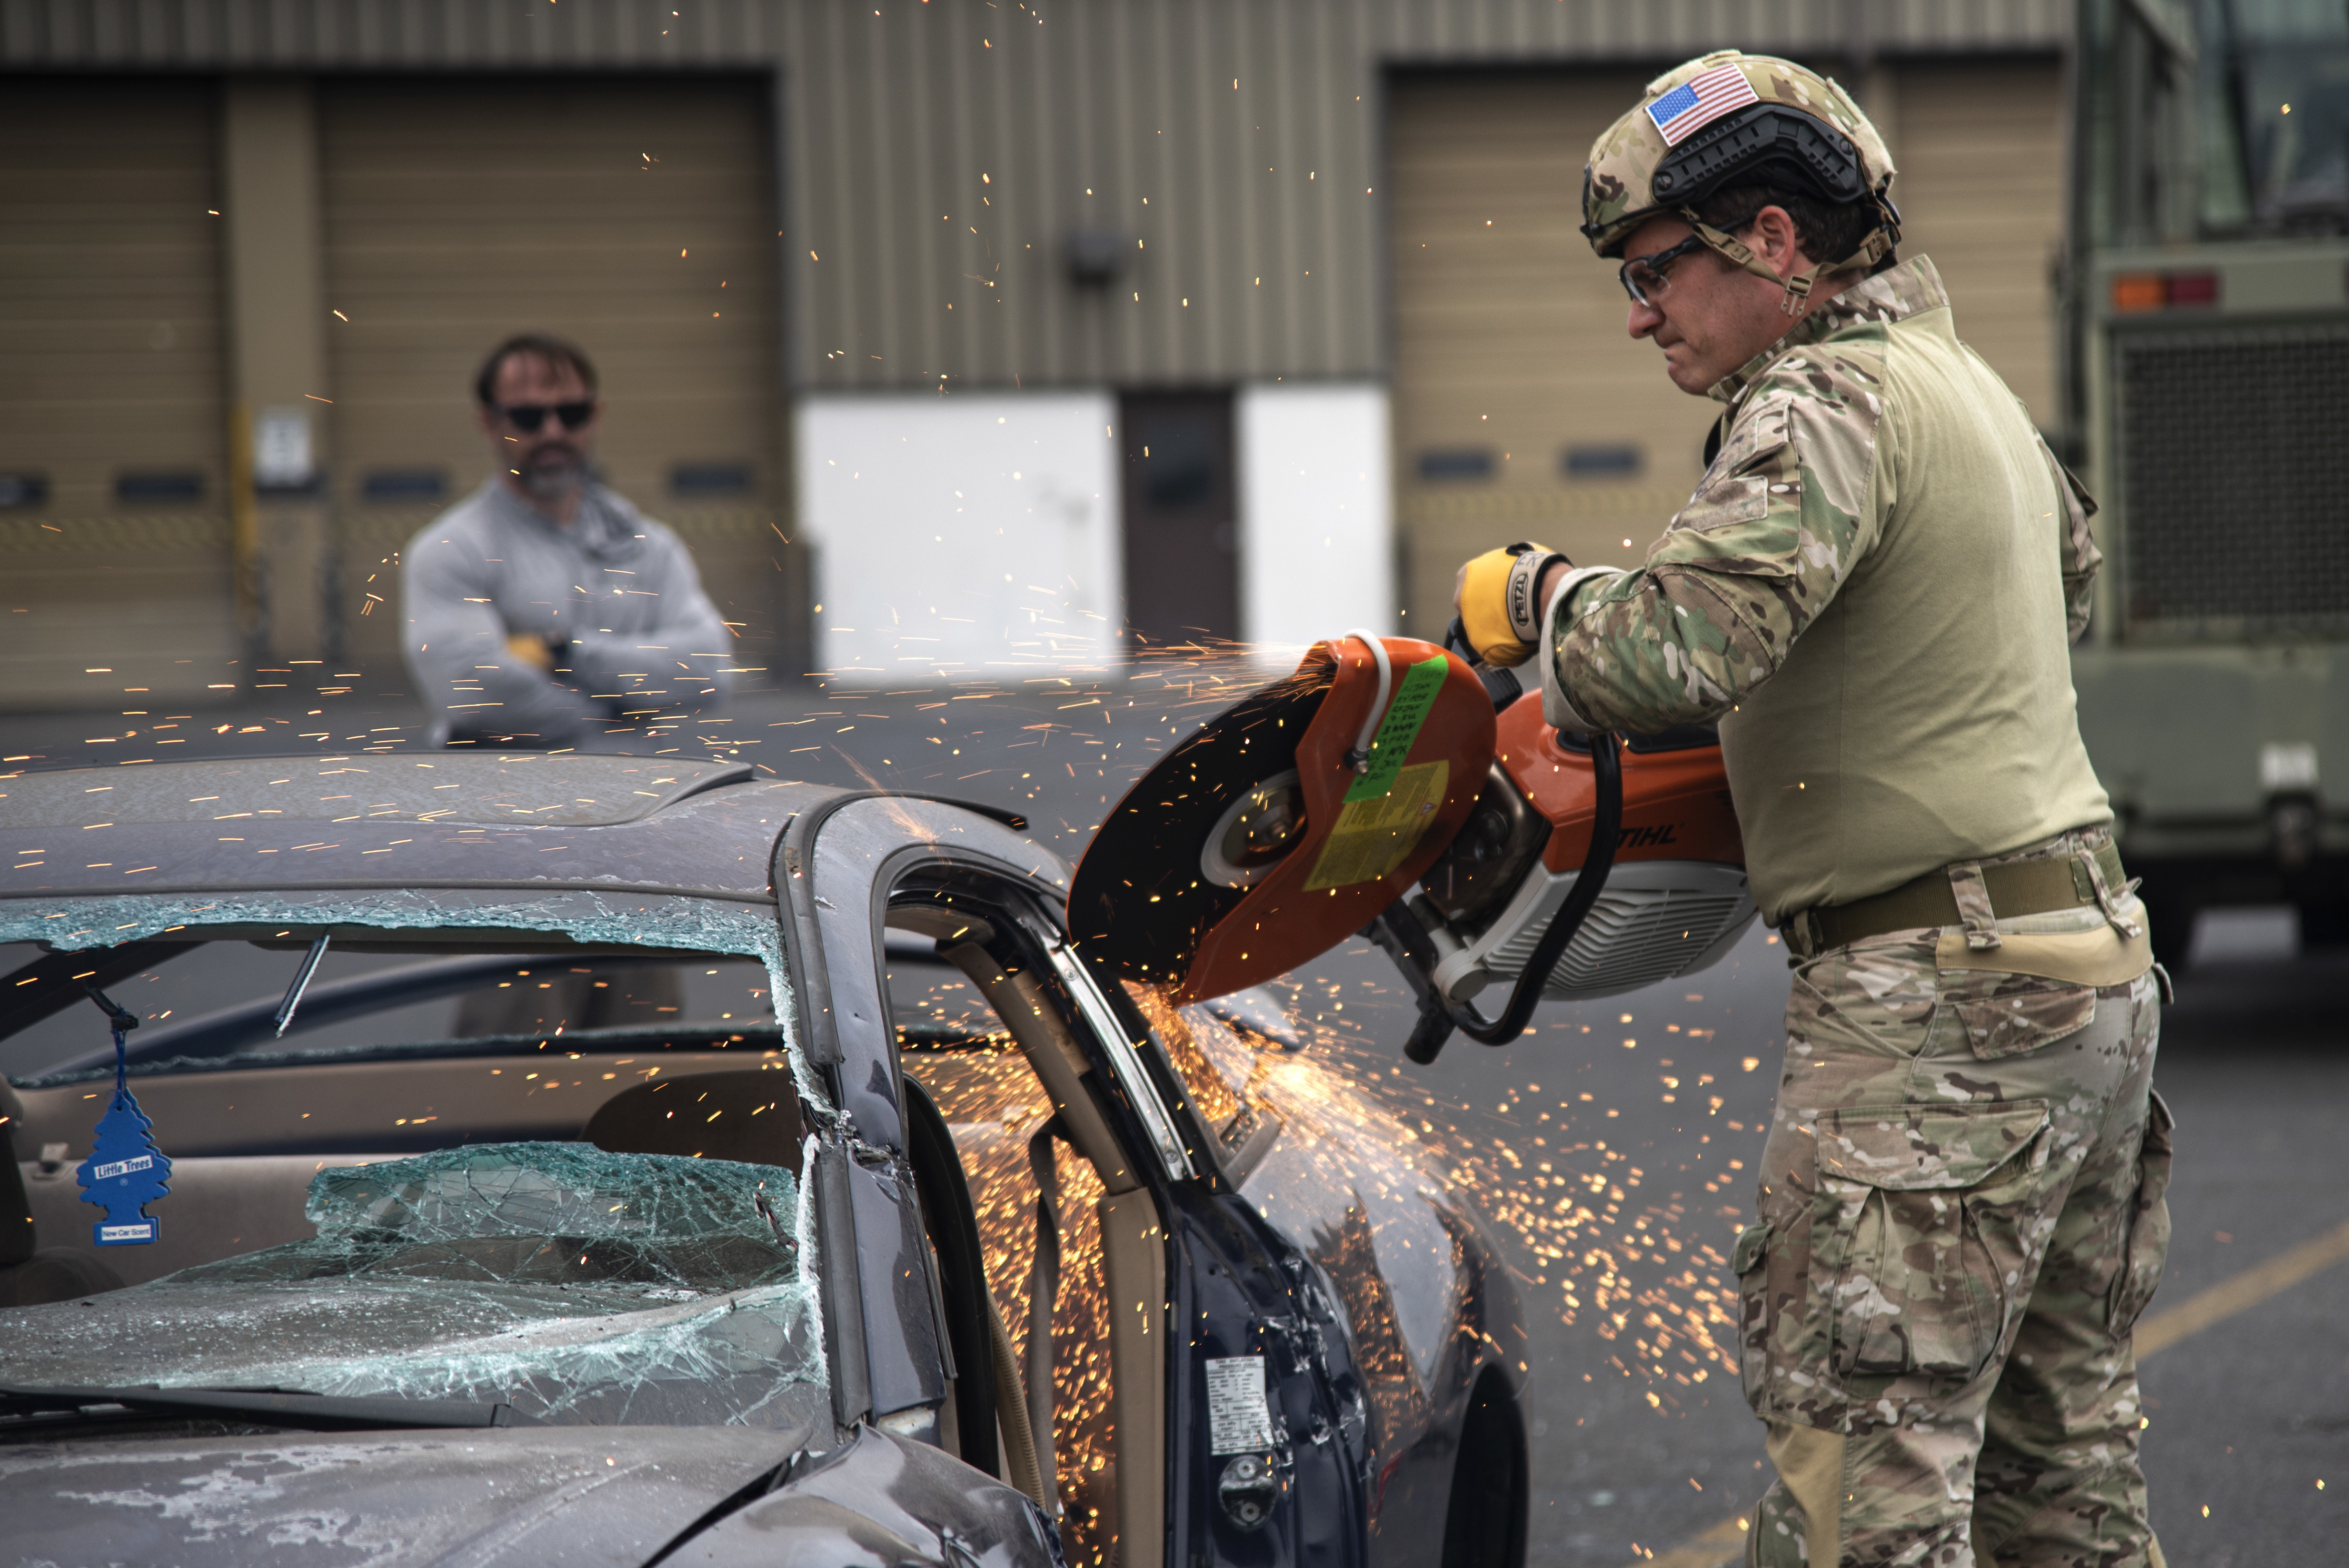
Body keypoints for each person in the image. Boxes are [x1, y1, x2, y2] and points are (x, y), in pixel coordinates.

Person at [1452, 53, 2171, 1568]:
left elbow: (1681, 648)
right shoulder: (1966, 390)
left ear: (1773, 243)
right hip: (2089, 976)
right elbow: (2067, 587)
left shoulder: (1825, 391)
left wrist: (1538, 600)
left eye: (1655, 270)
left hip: (1938, 1015)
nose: (1638, 312)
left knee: (1867, 1487)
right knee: (2062, 1484)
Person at [401, 334, 733, 750]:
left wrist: (566, 654)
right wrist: (615, 721)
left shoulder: (645, 544)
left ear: (596, 414)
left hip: (633, 803)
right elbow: (471, 689)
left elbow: (708, 668)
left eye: (572, 413)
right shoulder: (452, 549)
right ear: (489, 422)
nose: (553, 431)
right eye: (528, 418)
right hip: (498, 807)